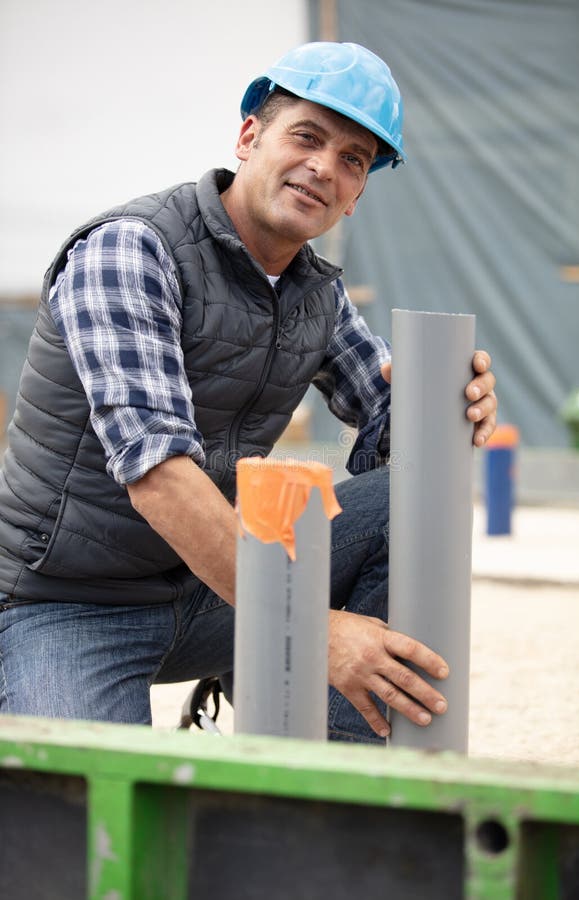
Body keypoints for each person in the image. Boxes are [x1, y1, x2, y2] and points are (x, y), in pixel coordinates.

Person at [0, 42, 496, 743]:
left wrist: (452, 407)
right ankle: (281, 652)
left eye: (353, 159)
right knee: (94, 821)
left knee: (410, 496)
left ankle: (341, 777)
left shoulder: (314, 292)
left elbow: (394, 434)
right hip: (70, 603)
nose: (324, 166)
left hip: (210, 591)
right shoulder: (131, 251)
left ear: (356, 196)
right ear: (248, 137)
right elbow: (160, 477)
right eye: (306, 136)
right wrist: (312, 630)